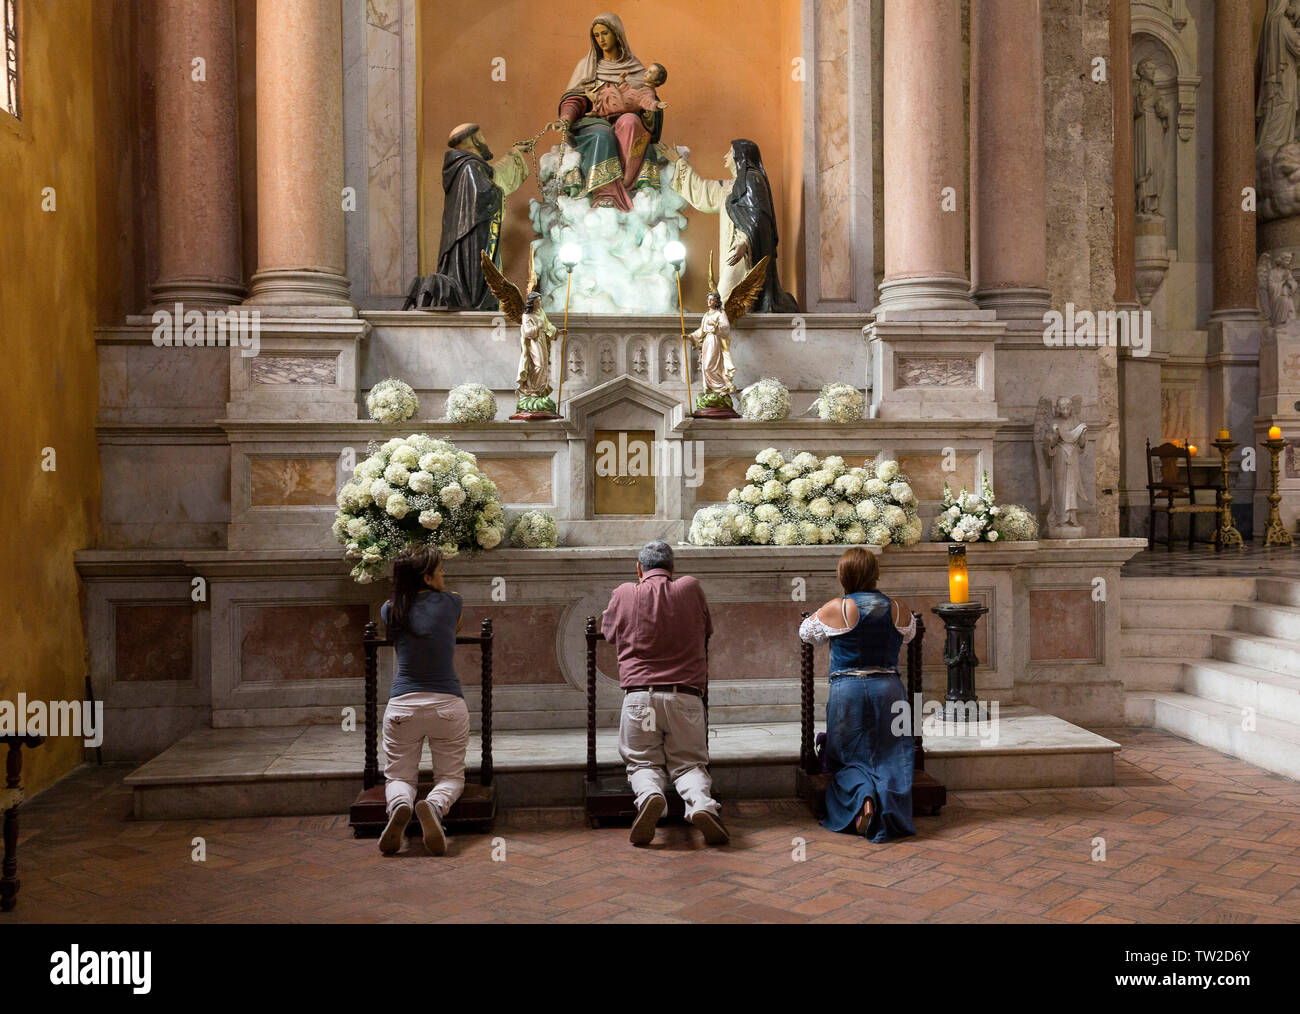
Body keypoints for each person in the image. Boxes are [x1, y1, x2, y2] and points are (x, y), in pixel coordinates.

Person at [600, 540, 729, 847]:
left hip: (640, 699)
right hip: (684, 696)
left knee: (643, 763)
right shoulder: (690, 588)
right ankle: (700, 805)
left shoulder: (625, 592)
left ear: (638, 568)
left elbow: (607, 634)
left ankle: (650, 796)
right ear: (673, 569)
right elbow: (706, 629)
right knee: (688, 764)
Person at [798, 547, 916, 842]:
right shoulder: (899, 606)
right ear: (875, 574)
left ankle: (864, 798)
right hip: (890, 692)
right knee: (892, 756)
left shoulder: (839, 607)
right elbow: (911, 634)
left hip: (849, 690)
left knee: (847, 758)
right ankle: (889, 806)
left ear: (844, 575)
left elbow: (806, 633)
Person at [377, 545, 468, 856]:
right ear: (428, 578)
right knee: (451, 777)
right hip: (447, 705)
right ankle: (434, 805)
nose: (444, 575)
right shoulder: (452, 602)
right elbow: (453, 630)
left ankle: (400, 804)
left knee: (399, 776)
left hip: (402, 706)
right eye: (440, 570)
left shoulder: (391, 609)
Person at [403, 123, 530, 310]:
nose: (485, 142)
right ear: (473, 140)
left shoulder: (466, 167)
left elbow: (493, 177)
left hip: (466, 235)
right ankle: (476, 300)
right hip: (473, 239)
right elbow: (485, 193)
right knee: (478, 276)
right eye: (482, 137)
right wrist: (497, 192)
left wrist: (515, 154)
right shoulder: (469, 166)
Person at [663, 138, 799, 312]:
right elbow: (703, 192)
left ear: (739, 156)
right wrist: (679, 162)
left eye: (729, 152)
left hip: (746, 253)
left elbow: (758, 216)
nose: (725, 155)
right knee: (726, 302)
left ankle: (735, 333)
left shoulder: (753, 180)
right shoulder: (732, 186)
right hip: (734, 251)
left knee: (726, 300)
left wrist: (744, 242)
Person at [557, 14, 664, 211]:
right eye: (596, 35)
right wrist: (565, 118)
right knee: (603, 135)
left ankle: (627, 185)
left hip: (623, 121)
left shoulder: (635, 68)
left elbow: (646, 98)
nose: (601, 39)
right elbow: (575, 99)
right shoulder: (588, 67)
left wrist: (650, 112)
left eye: (605, 33)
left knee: (631, 122)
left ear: (617, 34)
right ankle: (605, 192)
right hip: (592, 122)